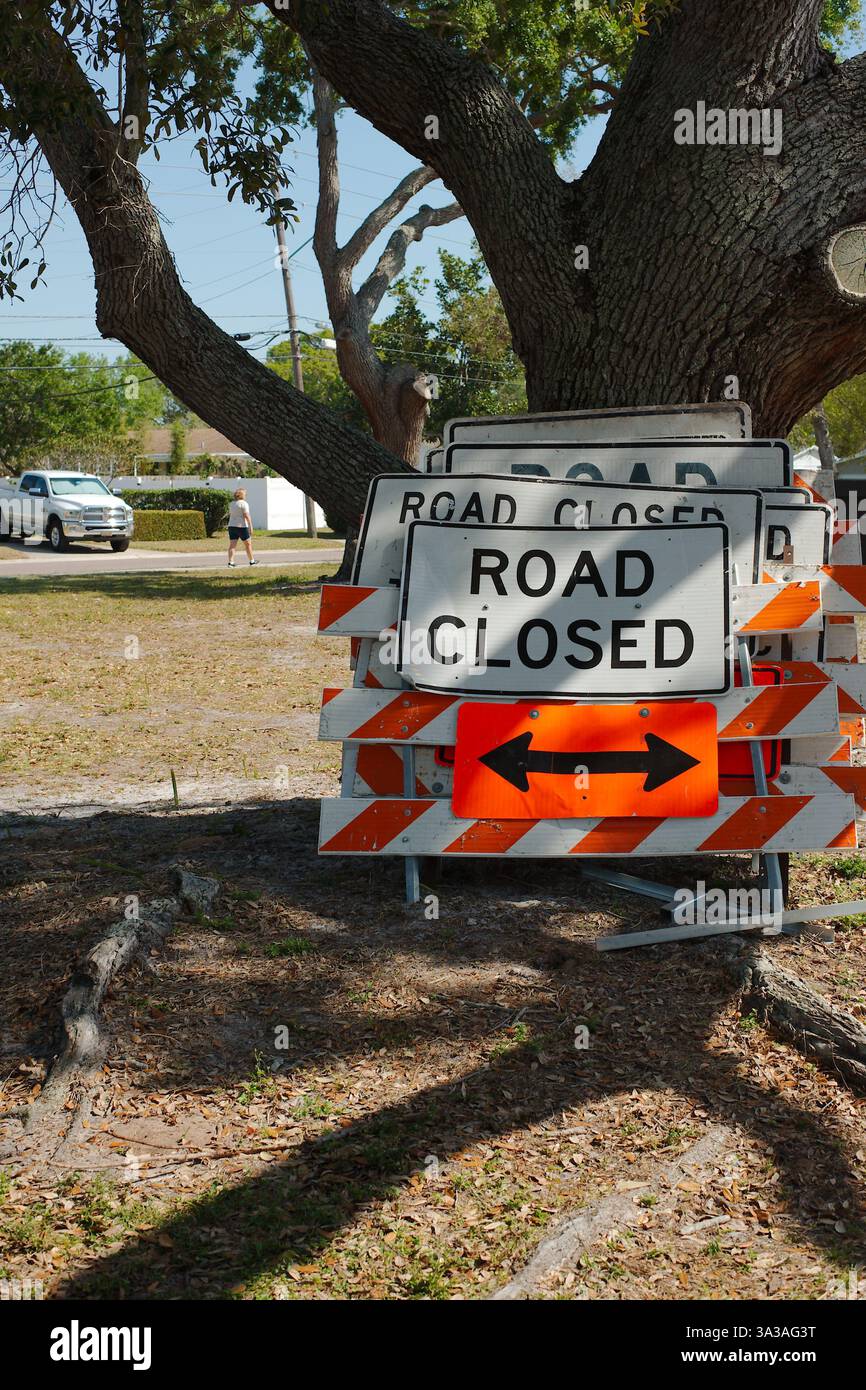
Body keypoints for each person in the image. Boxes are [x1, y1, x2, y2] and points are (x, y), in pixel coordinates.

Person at [227, 488, 256, 567]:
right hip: (241, 527)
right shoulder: (244, 503)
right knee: (248, 544)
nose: (246, 495)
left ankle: (231, 562)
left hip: (231, 526)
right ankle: (252, 561)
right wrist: (251, 526)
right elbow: (246, 515)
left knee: (232, 545)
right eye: (245, 494)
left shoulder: (231, 503)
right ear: (242, 495)